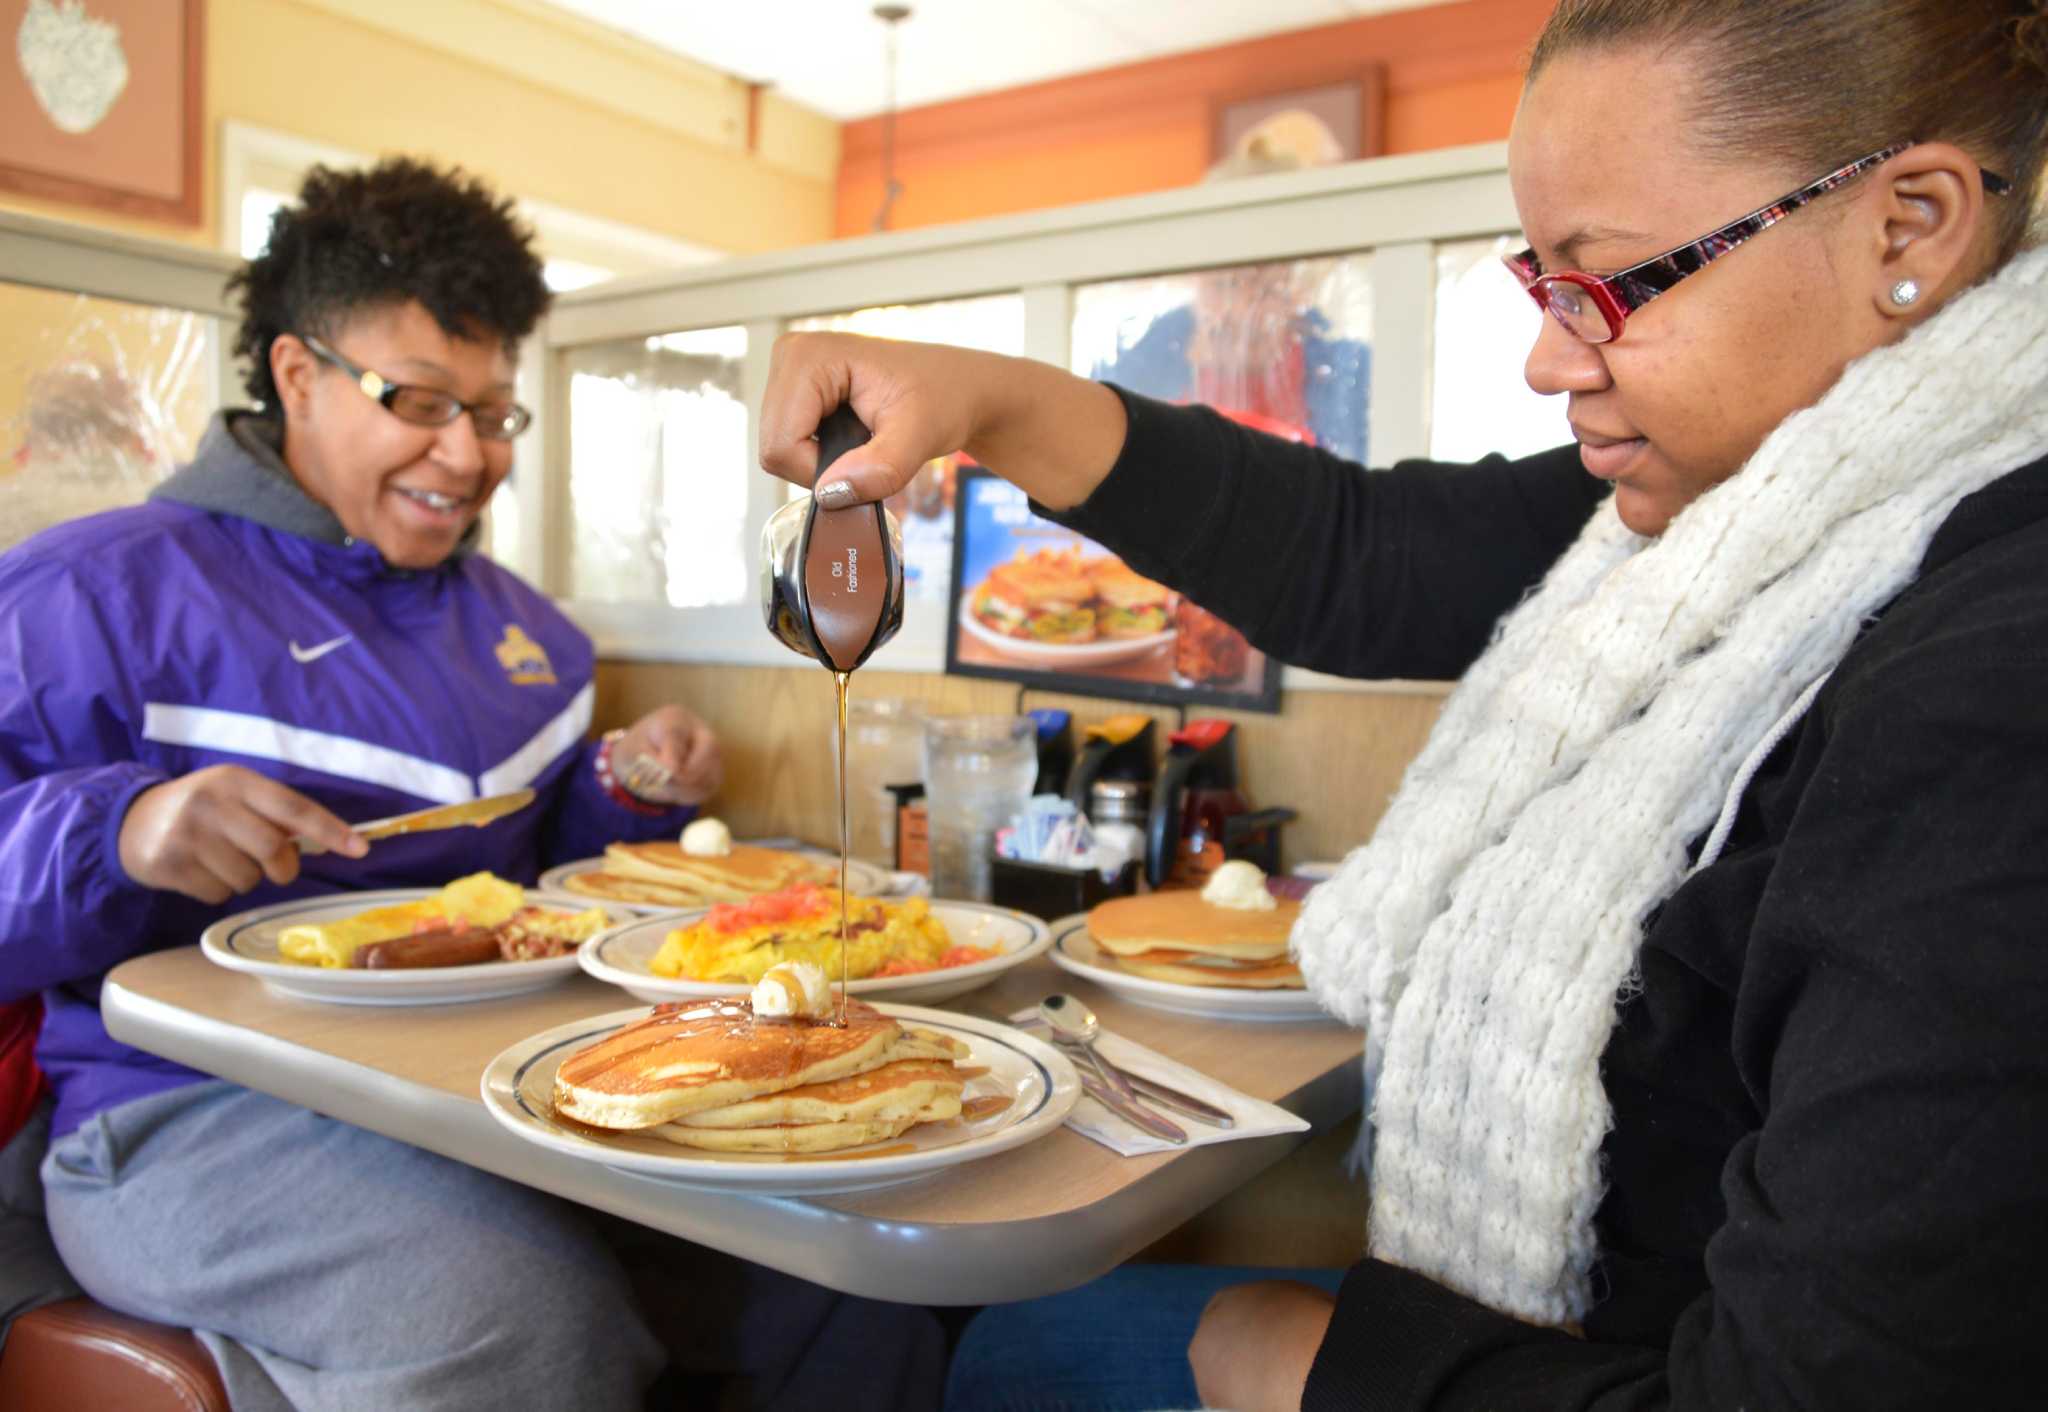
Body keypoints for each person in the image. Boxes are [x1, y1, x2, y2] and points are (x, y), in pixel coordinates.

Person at [758, 1, 2048, 1406]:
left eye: (1610, 284)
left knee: (1020, 1349)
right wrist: (988, 404)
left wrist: (1308, 1371)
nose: (1549, 359)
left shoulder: (1991, 678)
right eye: (1539, 283)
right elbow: (1363, 555)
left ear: (1910, 226)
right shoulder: (1734, 503)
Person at [0, 157, 944, 1411]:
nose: (466, 452)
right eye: (419, 401)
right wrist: (116, 828)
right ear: (296, 375)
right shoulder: (84, 595)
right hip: (181, 1109)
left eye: (494, 414)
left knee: (847, 1264)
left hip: (493, 1084)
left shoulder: (531, 638)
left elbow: (533, 885)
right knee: (524, 1320)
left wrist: (624, 794)